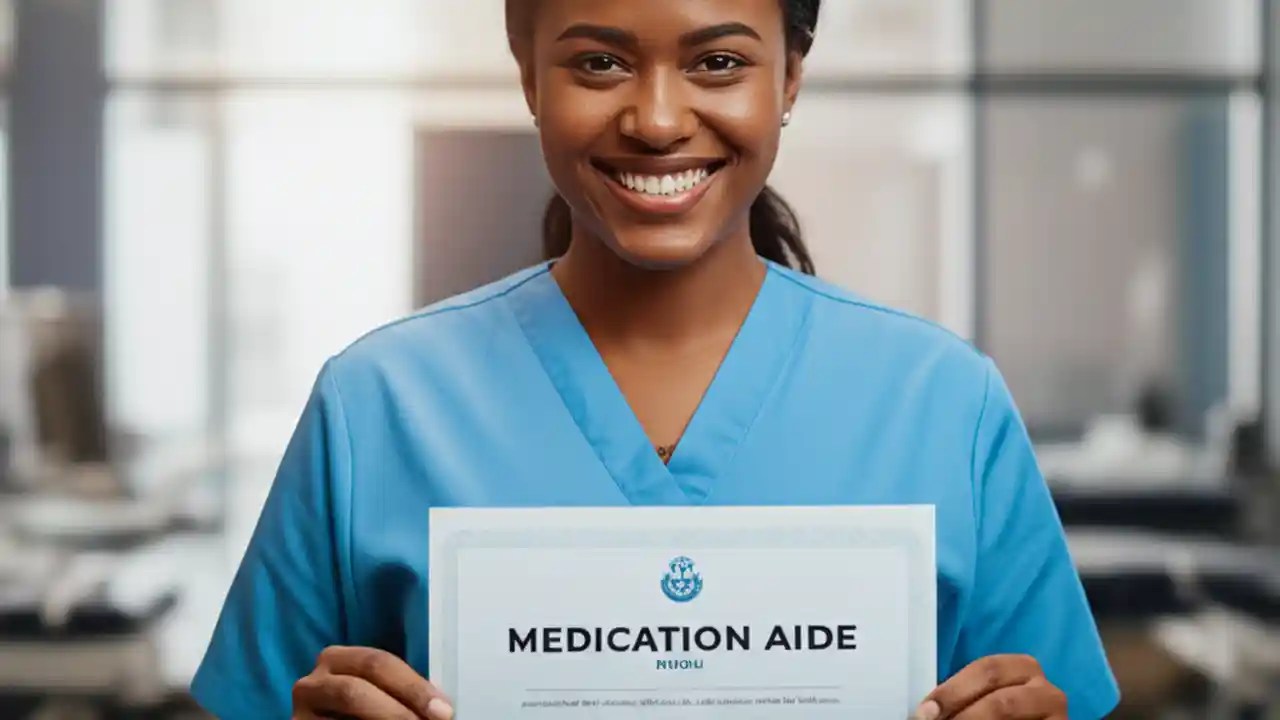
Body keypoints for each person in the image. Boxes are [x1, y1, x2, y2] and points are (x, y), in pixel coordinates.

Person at [191, 1, 1121, 718]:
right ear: (526, 71)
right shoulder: (377, 407)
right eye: (599, 62)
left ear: (791, 75)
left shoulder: (946, 407)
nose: (658, 119)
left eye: (718, 62)